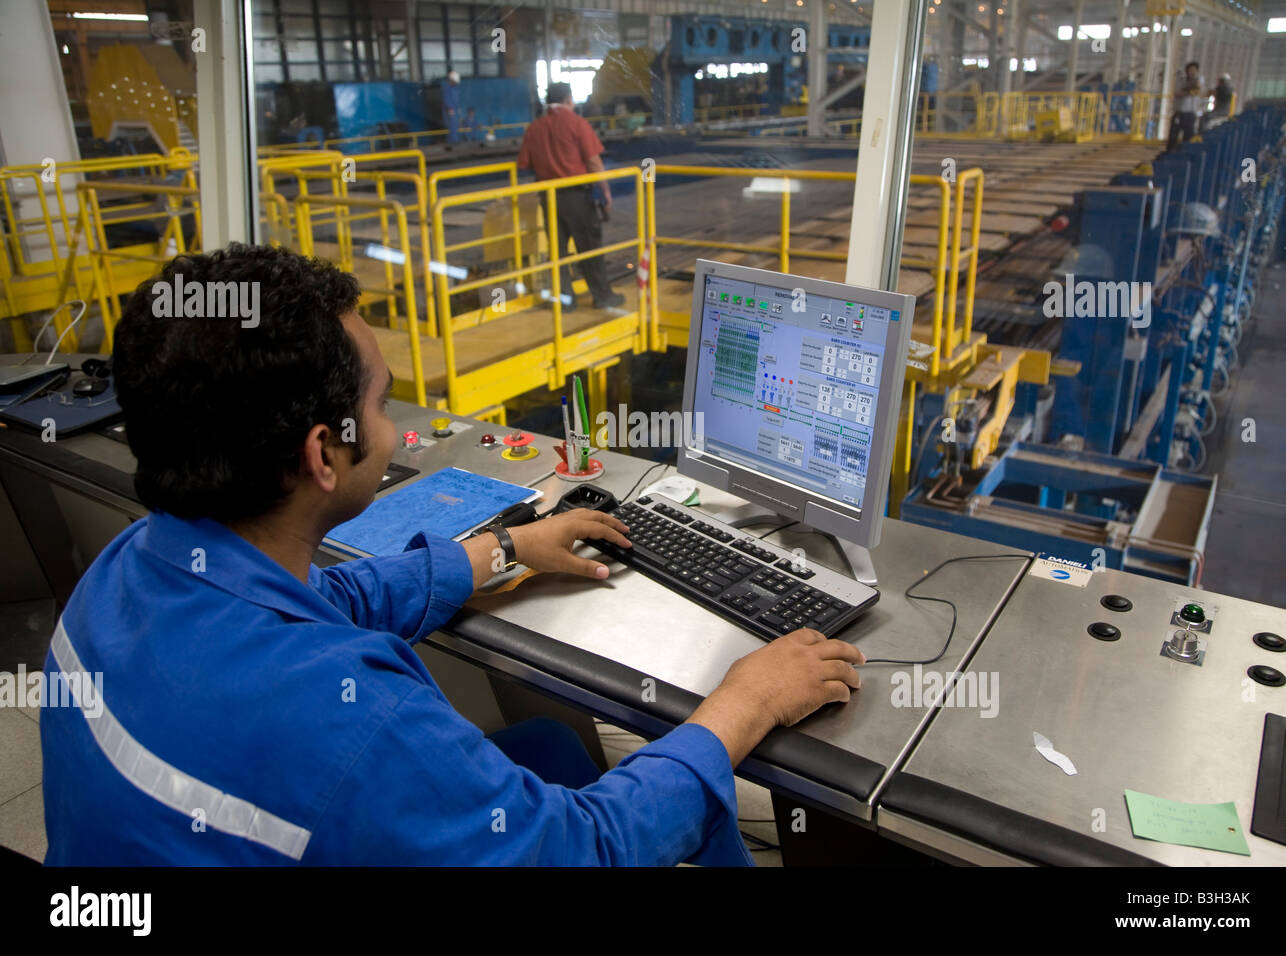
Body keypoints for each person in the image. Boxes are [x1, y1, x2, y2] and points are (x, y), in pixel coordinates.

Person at [40, 244, 865, 865]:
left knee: (545, 746)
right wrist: (746, 700)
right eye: (383, 399)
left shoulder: (126, 569)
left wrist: (505, 549)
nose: (398, 428)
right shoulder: (359, 726)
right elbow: (587, 849)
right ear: (323, 454)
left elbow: (321, 605)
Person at [517, 82, 625, 310]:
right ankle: (602, 296)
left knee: (558, 252)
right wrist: (605, 193)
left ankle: (565, 301)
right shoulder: (577, 123)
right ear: (568, 100)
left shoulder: (534, 128)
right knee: (589, 247)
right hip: (577, 198)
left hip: (548, 198)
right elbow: (594, 162)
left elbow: (525, 164)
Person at [1167, 61, 1204, 152]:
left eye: (1194, 70)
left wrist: (1192, 87)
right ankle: (1170, 151)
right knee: (1173, 134)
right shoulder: (1181, 81)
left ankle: (1184, 152)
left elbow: (1199, 88)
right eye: (1190, 70)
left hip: (1191, 112)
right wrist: (1187, 91)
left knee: (1188, 135)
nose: (1192, 72)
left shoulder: (1199, 80)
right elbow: (1177, 93)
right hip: (1179, 111)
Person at [443, 70, 462, 144]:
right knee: (452, 124)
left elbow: (456, 99)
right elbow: (446, 99)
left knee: (456, 124)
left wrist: (458, 108)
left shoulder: (455, 88)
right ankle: (453, 140)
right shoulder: (447, 88)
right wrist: (450, 108)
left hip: (455, 109)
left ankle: (454, 139)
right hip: (451, 109)